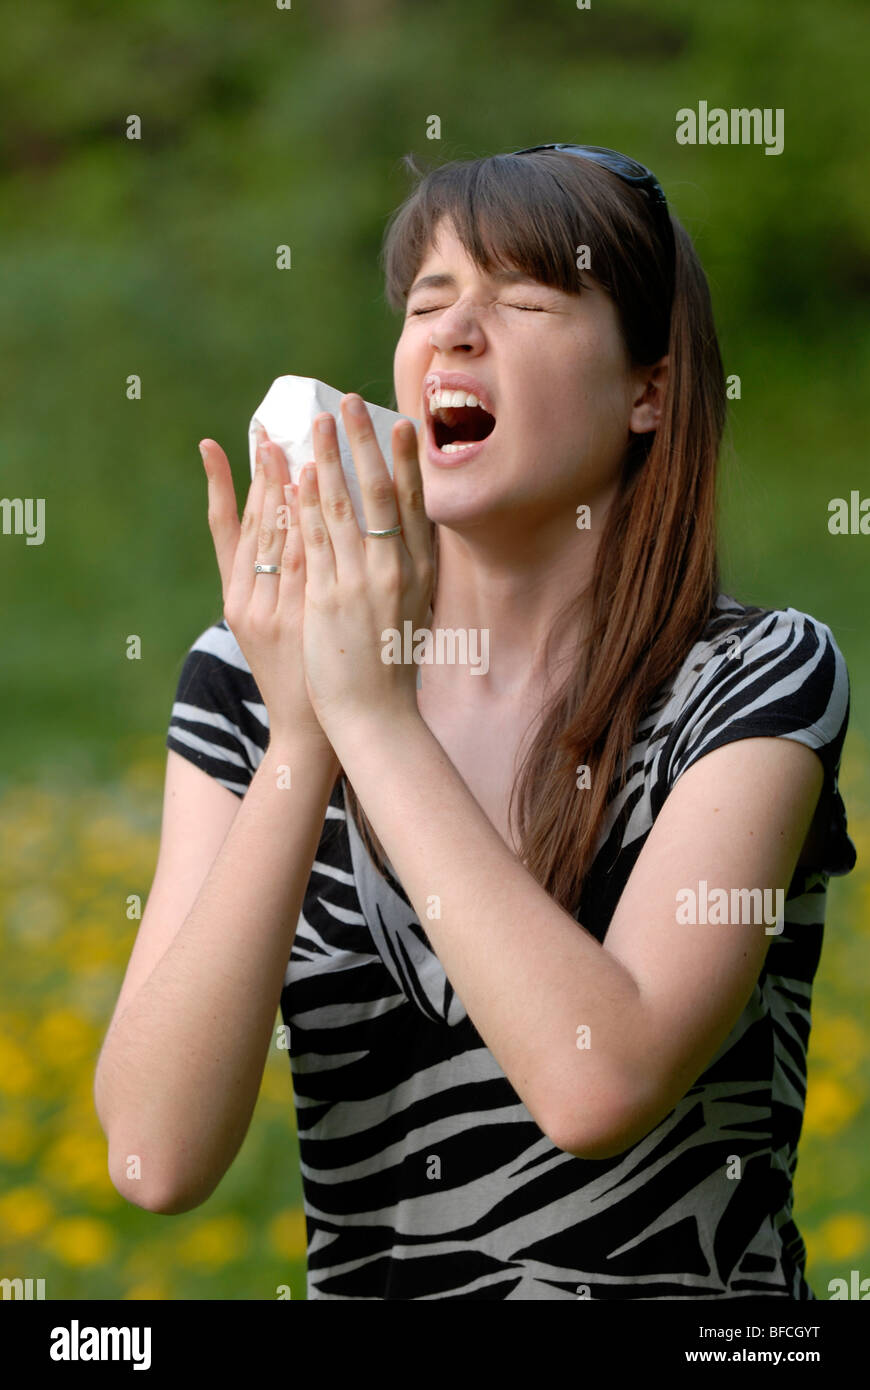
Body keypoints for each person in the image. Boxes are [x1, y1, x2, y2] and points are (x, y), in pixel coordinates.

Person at [95, 144, 856, 1300]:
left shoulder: (753, 676)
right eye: (429, 302)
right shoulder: (249, 685)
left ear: (648, 387)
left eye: (524, 299)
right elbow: (153, 1158)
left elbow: (599, 1084)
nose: (454, 332)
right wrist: (303, 738)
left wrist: (370, 715)